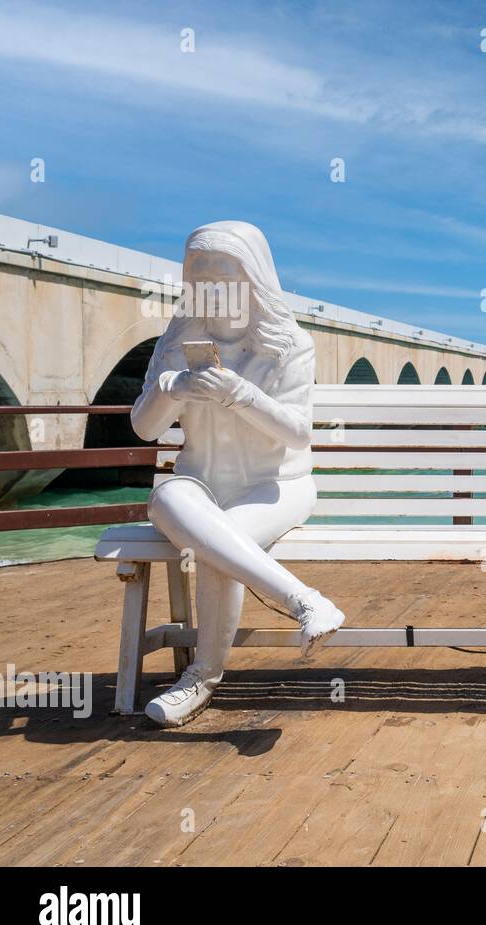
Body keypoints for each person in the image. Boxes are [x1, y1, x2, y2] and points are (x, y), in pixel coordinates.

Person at [131, 221, 344, 727]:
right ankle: (305, 601)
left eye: (220, 269)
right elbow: (144, 428)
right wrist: (174, 387)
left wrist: (240, 394)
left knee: (217, 549)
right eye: (196, 271)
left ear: (251, 275)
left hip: (275, 486)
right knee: (168, 499)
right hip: (199, 486)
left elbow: (297, 434)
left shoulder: (288, 344)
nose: (208, 281)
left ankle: (202, 676)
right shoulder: (175, 342)